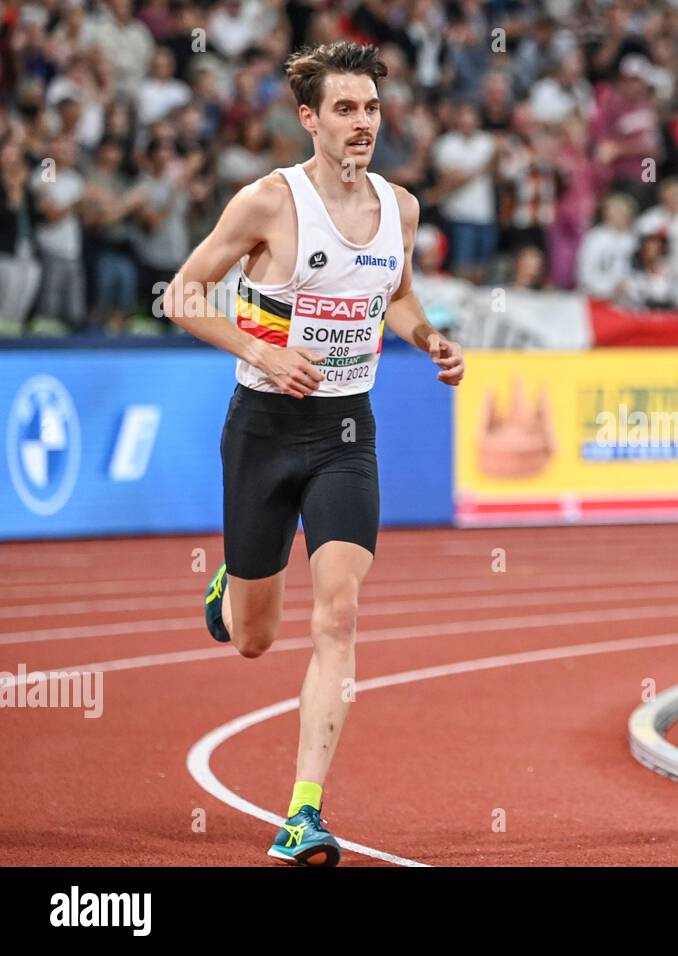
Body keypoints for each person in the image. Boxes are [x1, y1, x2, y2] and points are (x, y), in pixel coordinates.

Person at [162, 40, 465, 866]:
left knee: (339, 615)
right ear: (310, 119)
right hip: (261, 429)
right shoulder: (268, 201)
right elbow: (182, 292)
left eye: (371, 108)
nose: (362, 123)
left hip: (344, 433)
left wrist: (430, 337)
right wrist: (261, 352)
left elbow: (396, 294)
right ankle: (233, 585)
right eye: (345, 109)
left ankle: (303, 813)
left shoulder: (399, 208)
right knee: (254, 637)